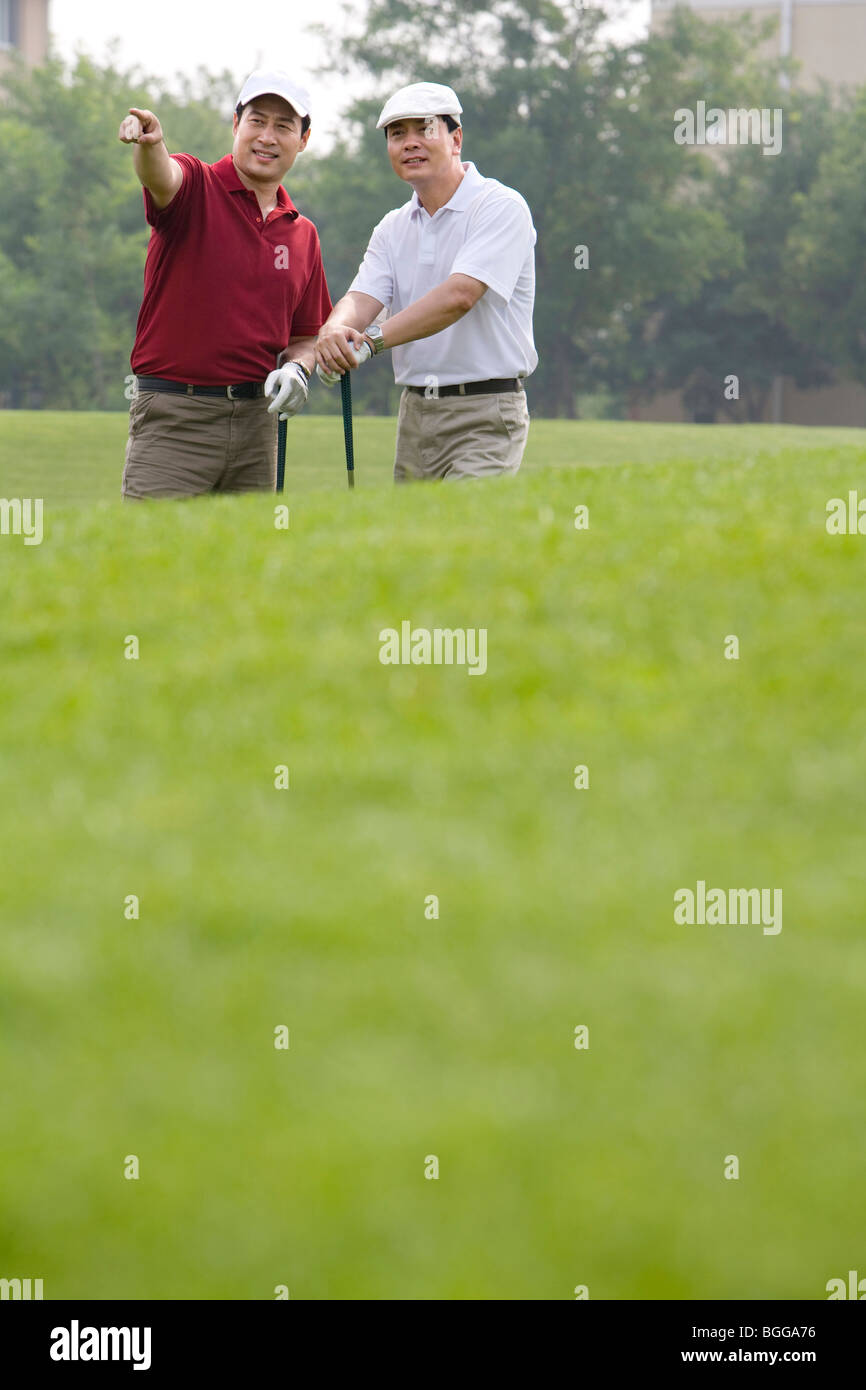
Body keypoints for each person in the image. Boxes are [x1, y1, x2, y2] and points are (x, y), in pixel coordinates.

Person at [119, 69, 332, 499]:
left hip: (258, 426)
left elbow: (307, 336)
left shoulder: (302, 233)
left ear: (303, 140)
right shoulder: (197, 185)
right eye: (256, 121)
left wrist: (297, 369)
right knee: (154, 560)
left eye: (283, 126)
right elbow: (162, 177)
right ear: (236, 125)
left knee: (246, 565)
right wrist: (152, 144)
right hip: (176, 420)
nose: (267, 137)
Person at [315, 82, 537, 482]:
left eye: (425, 129)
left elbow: (460, 296)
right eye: (398, 134)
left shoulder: (500, 206)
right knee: (417, 543)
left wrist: (371, 342)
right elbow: (362, 298)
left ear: (456, 139)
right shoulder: (392, 227)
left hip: (485, 411)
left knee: (466, 536)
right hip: (415, 415)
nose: (410, 143)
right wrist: (334, 329)